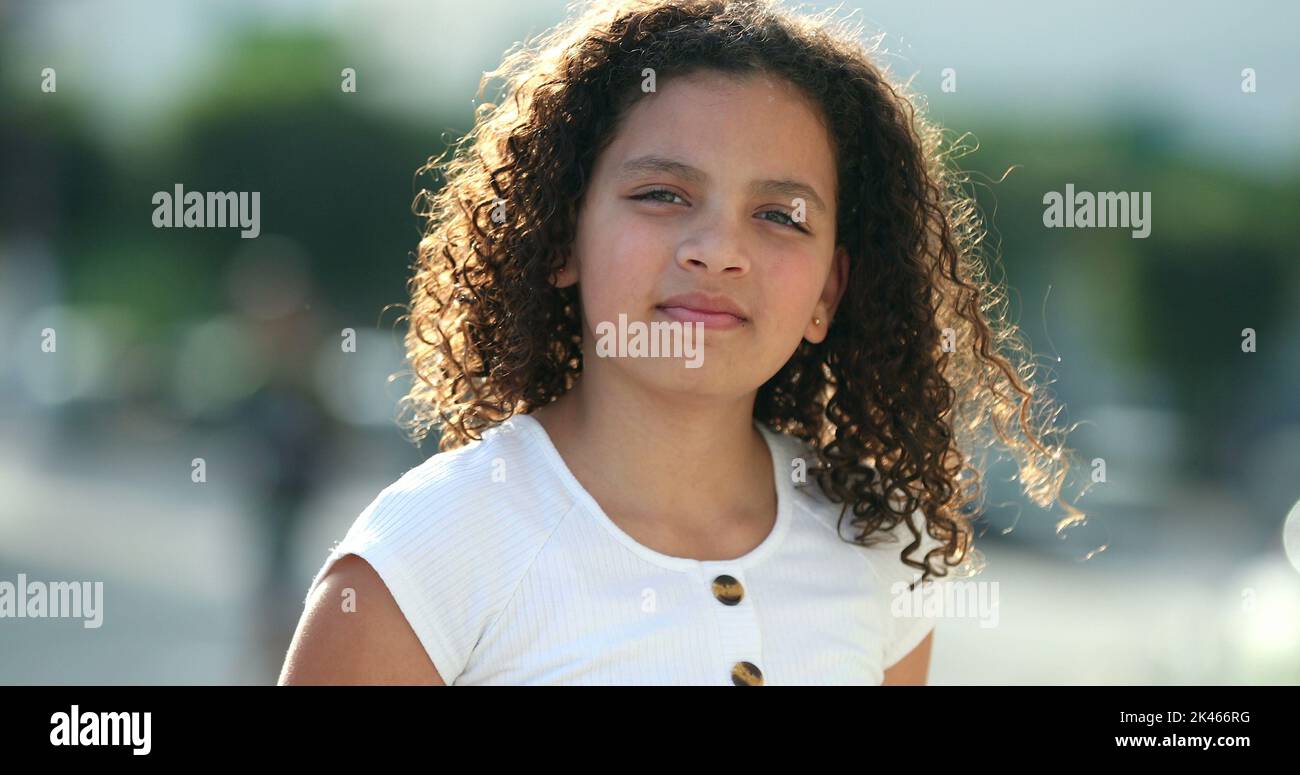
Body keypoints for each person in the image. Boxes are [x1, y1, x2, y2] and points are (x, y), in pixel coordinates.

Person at [279, 0, 1079, 686]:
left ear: (827, 294)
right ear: (560, 238)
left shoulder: (878, 548)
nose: (717, 249)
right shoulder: (428, 553)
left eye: (779, 215)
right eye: (662, 194)